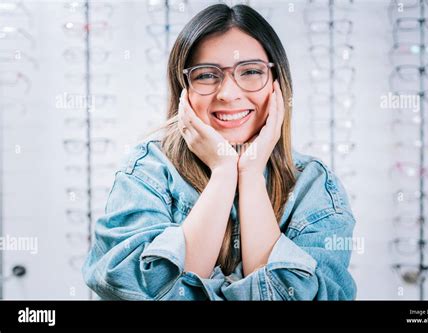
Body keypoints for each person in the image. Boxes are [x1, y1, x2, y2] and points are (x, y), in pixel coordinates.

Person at [82, 3, 357, 300]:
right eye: (206, 75)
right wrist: (224, 172)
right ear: (183, 89)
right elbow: (143, 292)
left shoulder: (314, 186)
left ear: (277, 85)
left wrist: (250, 173)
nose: (228, 93)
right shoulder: (146, 172)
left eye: (251, 71)